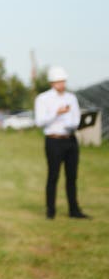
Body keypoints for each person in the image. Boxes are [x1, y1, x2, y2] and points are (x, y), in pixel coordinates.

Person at [34, 66, 89, 219]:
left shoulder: (71, 98)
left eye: (63, 81)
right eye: (59, 82)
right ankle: (50, 211)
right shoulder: (43, 99)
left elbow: (76, 117)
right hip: (54, 141)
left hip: (70, 140)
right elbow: (39, 121)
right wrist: (56, 113)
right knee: (53, 176)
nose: (62, 85)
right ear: (52, 83)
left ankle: (74, 210)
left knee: (72, 177)